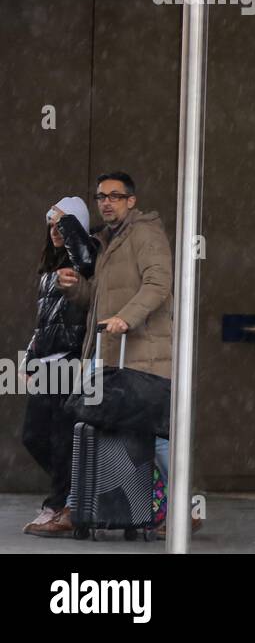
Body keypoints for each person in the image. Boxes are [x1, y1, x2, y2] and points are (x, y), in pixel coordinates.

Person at [48, 173, 181, 536]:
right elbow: (97, 303)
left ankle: (183, 510)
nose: (106, 202)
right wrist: (76, 289)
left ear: (131, 201)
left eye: (115, 197)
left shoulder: (146, 234)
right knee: (91, 427)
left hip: (141, 354)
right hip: (107, 353)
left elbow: (159, 283)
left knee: (158, 437)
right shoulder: (106, 242)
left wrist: (127, 317)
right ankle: (83, 507)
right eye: (101, 197)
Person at [22, 197, 97, 536]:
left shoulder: (85, 258)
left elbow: (86, 257)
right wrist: (29, 358)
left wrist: (68, 223)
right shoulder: (49, 267)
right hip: (45, 366)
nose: (54, 231)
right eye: (51, 225)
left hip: (70, 363)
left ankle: (57, 504)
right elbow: (43, 325)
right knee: (35, 436)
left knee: (62, 438)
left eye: (62, 224)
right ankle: (74, 492)